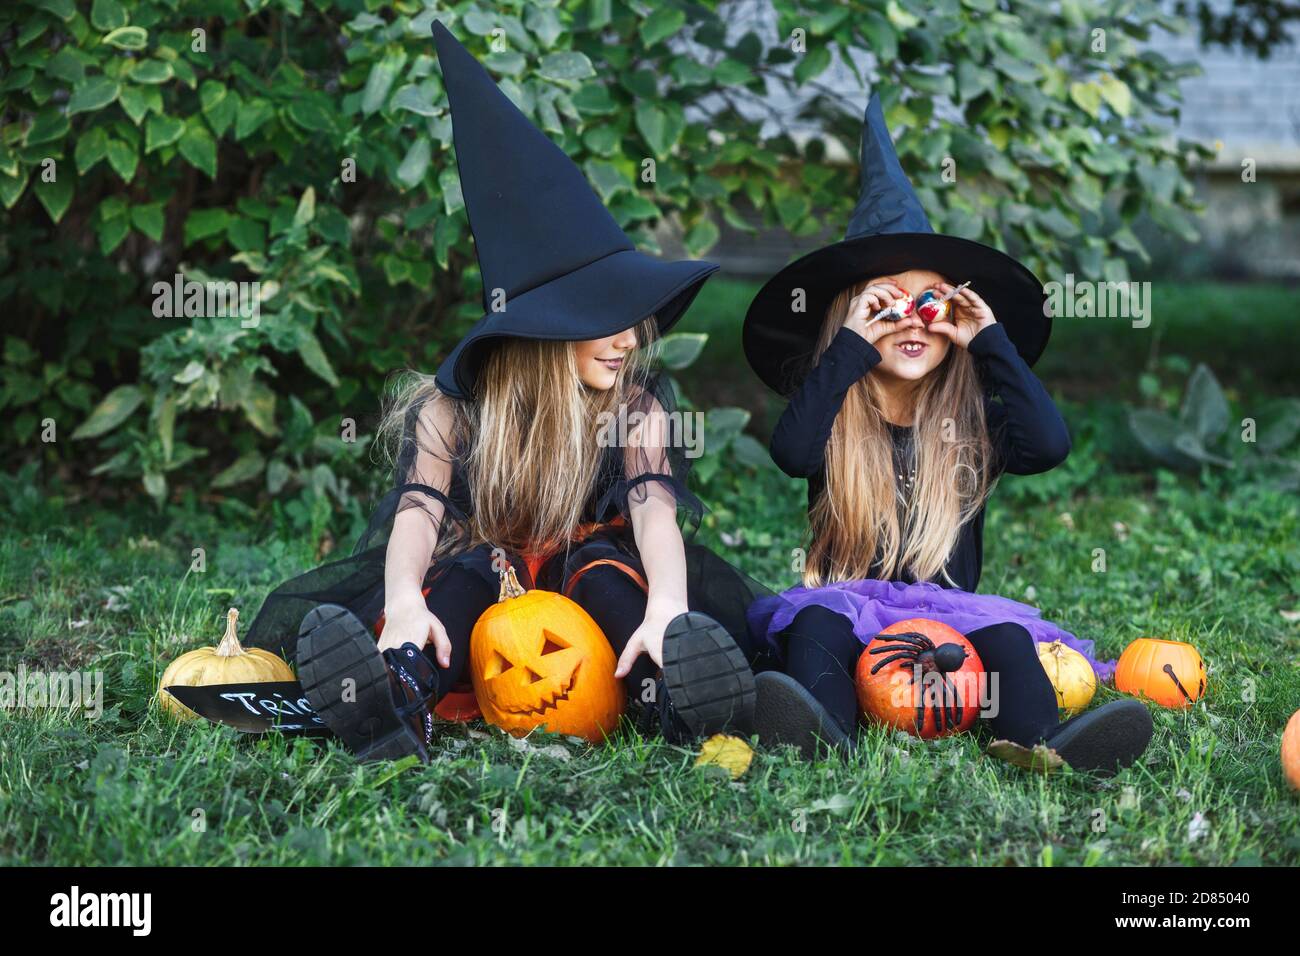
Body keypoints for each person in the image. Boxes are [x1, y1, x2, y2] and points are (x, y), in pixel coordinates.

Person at [244, 23, 763, 761]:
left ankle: (672, 696)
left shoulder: (633, 409)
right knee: (451, 588)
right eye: (604, 322)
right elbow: (419, 517)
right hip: (491, 587)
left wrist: (670, 610)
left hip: (590, 589)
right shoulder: (451, 412)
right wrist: (399, 602)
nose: (628, 340)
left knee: (609, 580)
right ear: (546, 332)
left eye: (631, 320)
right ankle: (396, 695)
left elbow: (653, 514)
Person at [741, 94, 1152, 773]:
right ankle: (820, 729)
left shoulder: (972, 422)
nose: (910, 321)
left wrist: (988, 338)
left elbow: (1049, 446)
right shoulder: (836, 410)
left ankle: (1043, 744)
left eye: (929, 304)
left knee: (1008, 641)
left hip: (954, 626)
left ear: (954, 320)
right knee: (815, 624)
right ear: (854, 319)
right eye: (885, 304)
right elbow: (790, 453)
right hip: (854, 618)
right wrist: (848, 347)